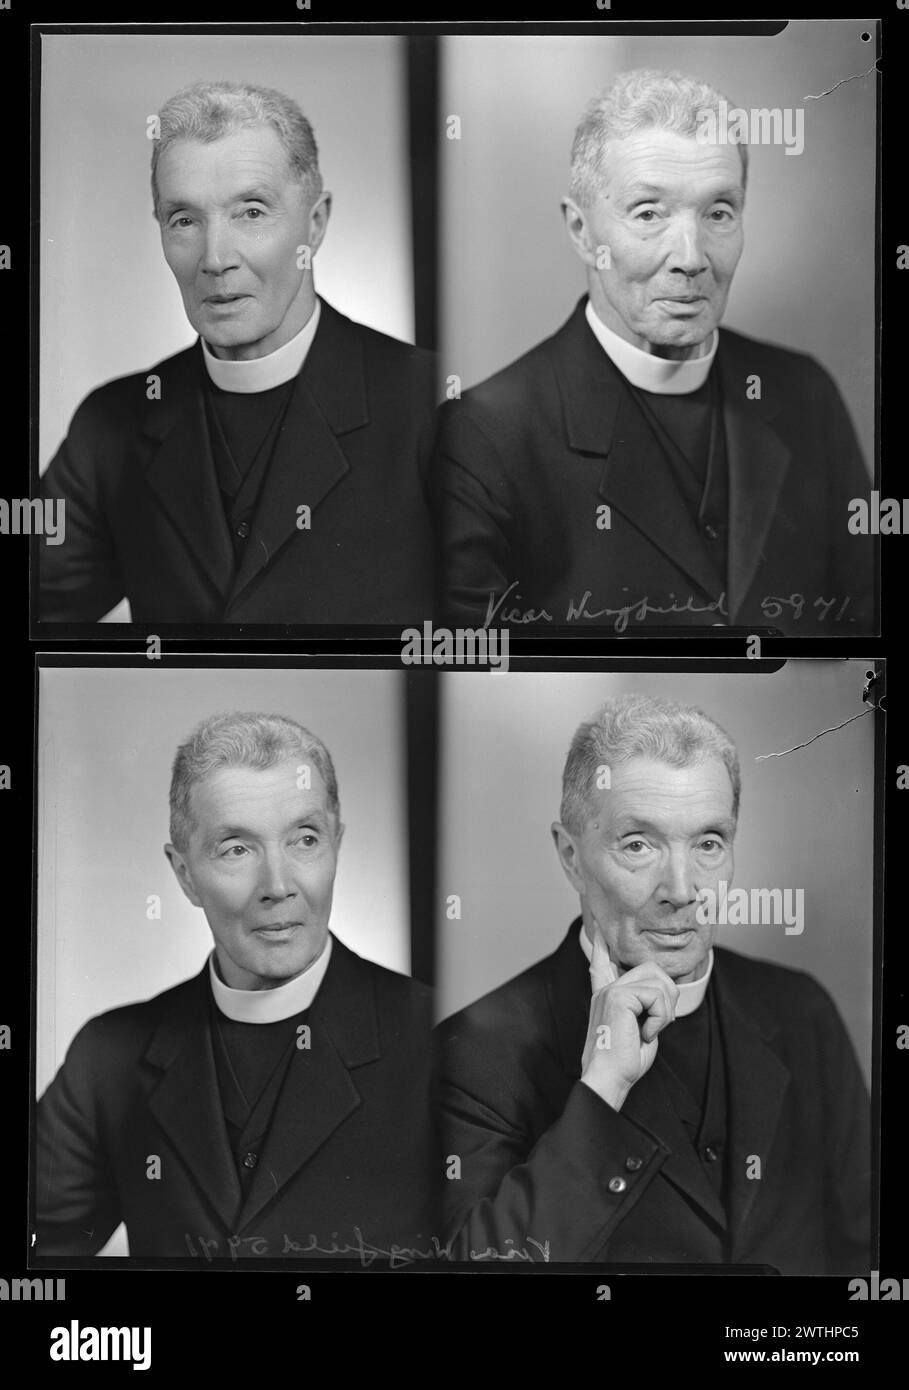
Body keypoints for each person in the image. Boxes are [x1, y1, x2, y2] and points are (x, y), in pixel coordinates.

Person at [436, 693, 871, 1273]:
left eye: (708, 844)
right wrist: (601, 1092)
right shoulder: (469, 1055)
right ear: (570, 856)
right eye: (638, 844)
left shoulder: (800, 1011)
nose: (682, 889)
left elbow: (870, 1252)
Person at [433, 69, 875, 635]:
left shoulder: (802, 393)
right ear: (580, 231)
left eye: (718, 212)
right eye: (648, 213)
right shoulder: (481, 438)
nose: (690, 257)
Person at [35, 712, 434, 1259]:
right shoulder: (108, 1058)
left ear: (336, 845)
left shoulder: (444, 1039)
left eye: (305, 839)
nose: (278, 886)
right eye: (236, 849)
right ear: (183, 874)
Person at [40, 81, 436, 625]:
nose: (215, 257)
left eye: (251, 212)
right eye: (185, 220)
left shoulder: (440, 408)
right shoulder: (110, 426)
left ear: (315, 224)